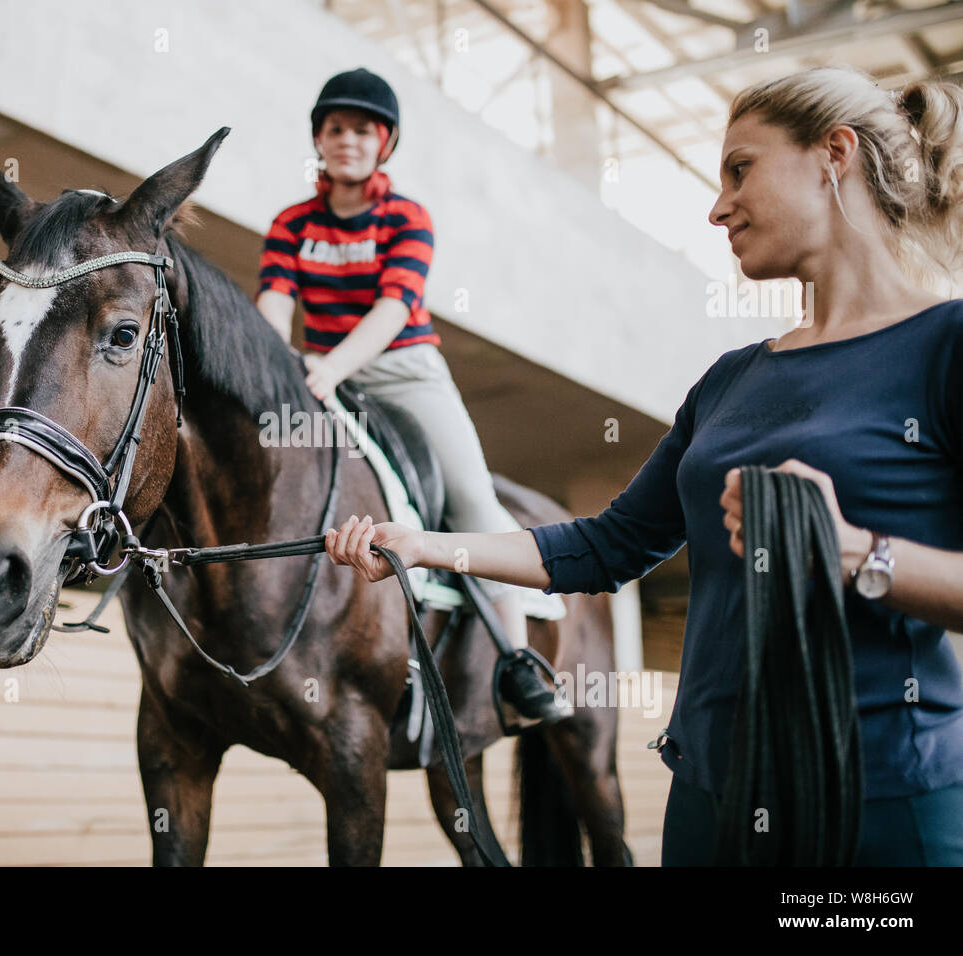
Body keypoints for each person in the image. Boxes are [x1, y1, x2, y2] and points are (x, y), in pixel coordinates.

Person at [325, 66, 963, 866]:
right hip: (710, 802)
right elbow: (608, 545)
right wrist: (424, 544)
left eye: (741, 170)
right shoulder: (731, 378)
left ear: (834, 153)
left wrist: (857, 554)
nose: (718, 206)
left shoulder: (944, 346)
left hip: (885, 807)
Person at [255, 67, 565, 725]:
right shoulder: (291, 223)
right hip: (318, 370)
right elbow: (276, 302)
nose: (347, 140)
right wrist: (275, 364)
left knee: (471, 495)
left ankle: (515, 659)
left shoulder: (406, 216)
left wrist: (328, 368)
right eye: (335, 128)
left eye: (362, 130)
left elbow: (396, 308)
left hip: (401, 367)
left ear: (384, 142)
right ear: (319, 138)